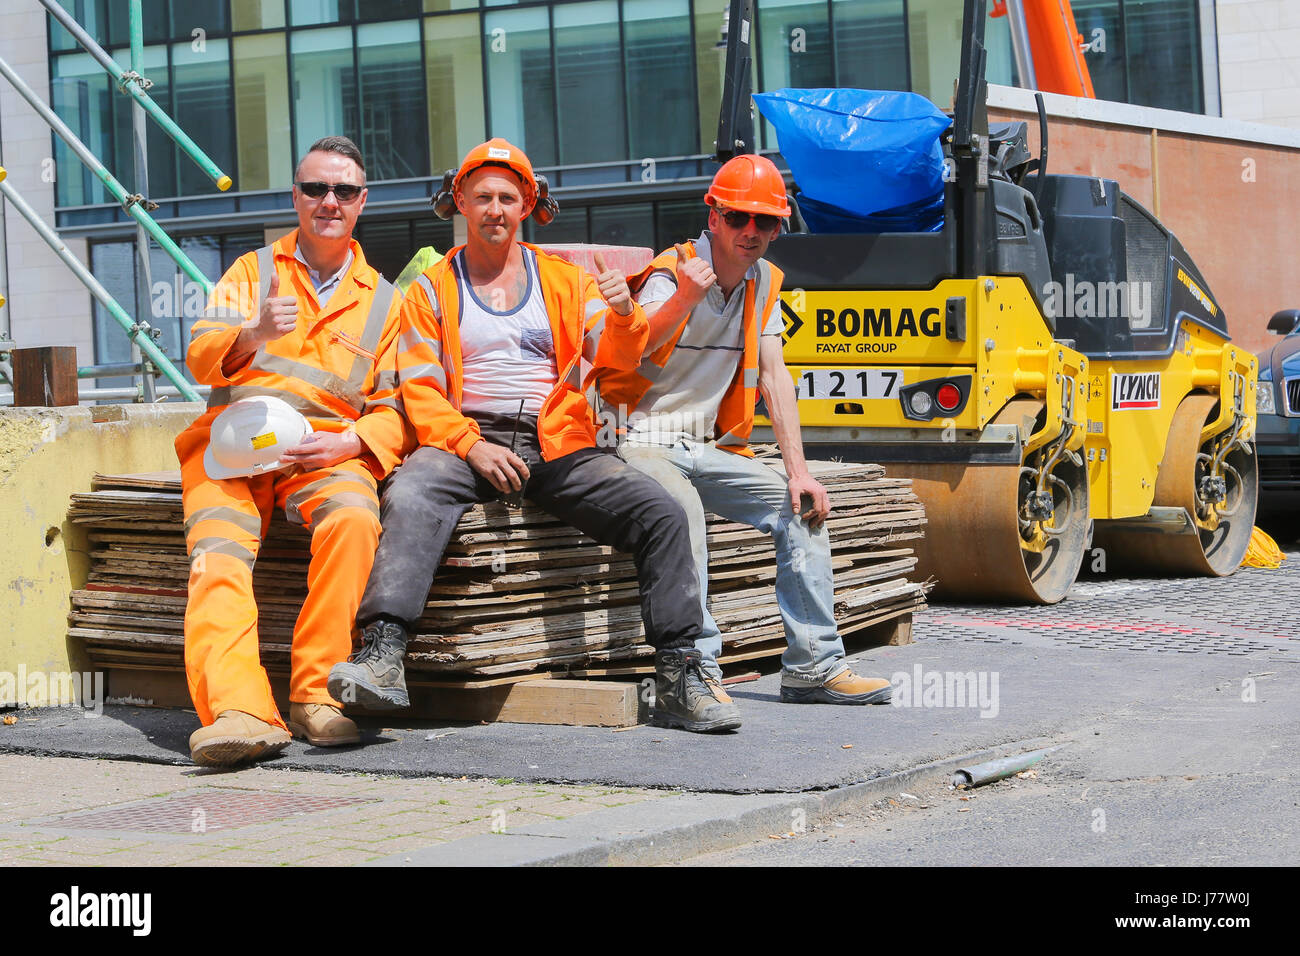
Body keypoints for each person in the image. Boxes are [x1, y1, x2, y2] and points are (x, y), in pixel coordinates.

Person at [327, 138, 742, 733]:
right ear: (460, 206)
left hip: (555, 441)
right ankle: (384, 654)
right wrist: (472, 445)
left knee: (661, 511)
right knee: (413, 491)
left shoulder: (567, 283)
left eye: (507, 197)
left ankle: (680, 673)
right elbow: (419, 389)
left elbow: (619, 360)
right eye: (482, 198)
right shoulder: (430, 290)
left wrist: (625, 313)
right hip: (461, 439)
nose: (495, 209)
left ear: (526, 206)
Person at [598, 154, 894, 707]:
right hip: (633, 440)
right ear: (712, 216)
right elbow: (631, 347)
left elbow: (776, 376)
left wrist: (799, 472)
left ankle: (815, 666)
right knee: (679, 510)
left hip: (700, 445)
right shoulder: (673, 273)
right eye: (738, 218)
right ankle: (698, 671)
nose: (751, 231)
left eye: (766, 221)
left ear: (780, 227)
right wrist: (686, 296)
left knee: (798, 507)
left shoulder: (763, 283)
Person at [178, 136, 409, 766]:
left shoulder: (386, 301)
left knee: (355, 521)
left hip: (323, 452)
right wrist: (251, 334)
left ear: (362, 202)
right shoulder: (253, 271)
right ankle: (239, 710)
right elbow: (200, 356)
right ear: (295, 198)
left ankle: (316, 695)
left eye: (343, 191)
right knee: (219, 553)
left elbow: (398, 403)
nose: (328, 201)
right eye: (315, 189)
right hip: (233, 445)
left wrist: (353, 440)